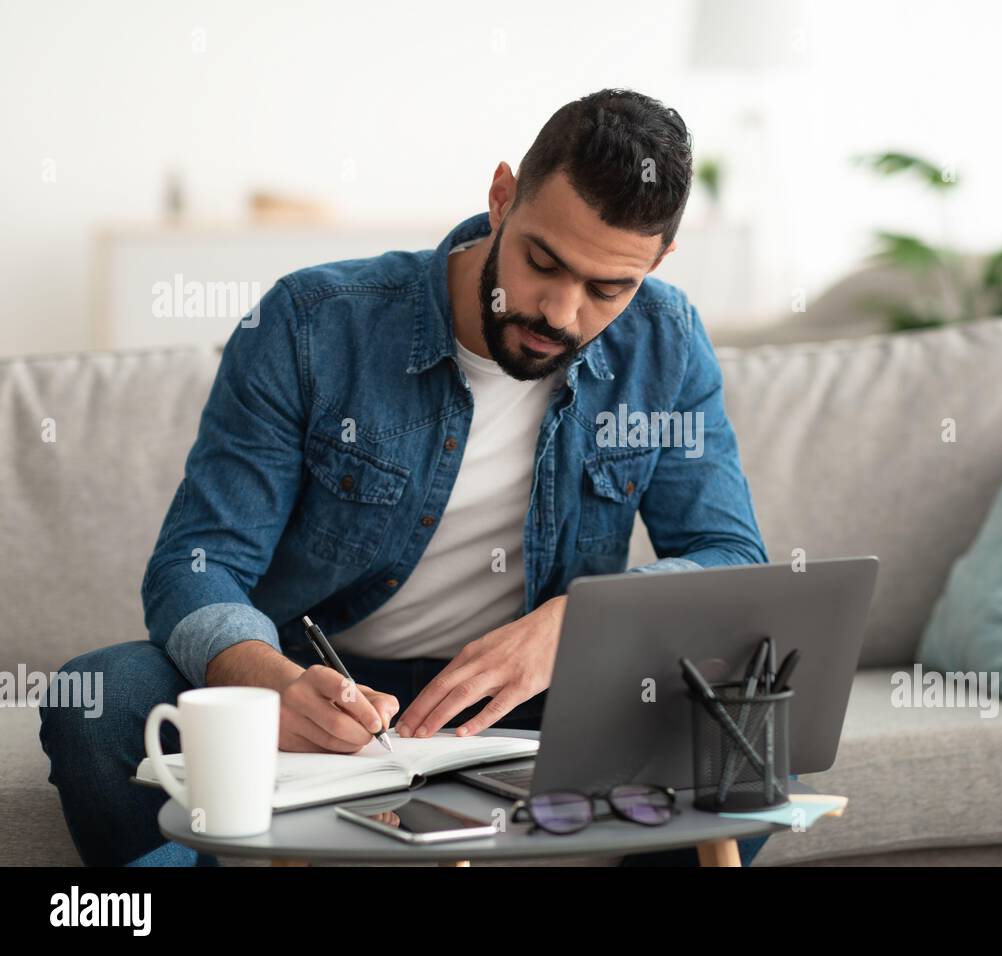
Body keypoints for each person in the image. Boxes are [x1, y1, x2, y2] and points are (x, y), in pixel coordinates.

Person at [40, 88, 770, 867]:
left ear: (656, 265)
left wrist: (586, 622)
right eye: (543, 263)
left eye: (606, 289)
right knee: (102, 701)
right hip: (323, 687)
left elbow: (734, 562)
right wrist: (272, 683)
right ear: (501, 199)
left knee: (745, 725)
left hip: (531, 700)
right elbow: (197, 567)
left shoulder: (668, 342)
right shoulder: (314, 322)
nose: (560, 311)